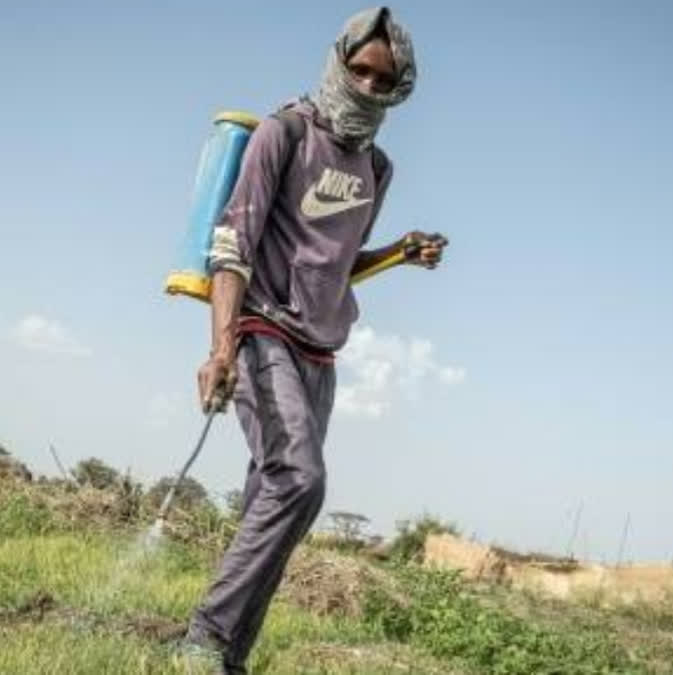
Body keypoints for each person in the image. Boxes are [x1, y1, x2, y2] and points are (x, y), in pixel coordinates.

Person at [178, 7, 447, 673]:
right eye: (358, 70)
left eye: (383, 81)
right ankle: (204, 639)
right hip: (263, 330)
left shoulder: (376, 170)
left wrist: (398, 252)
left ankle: (228, 657)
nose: (366, 87)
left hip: (320, 354)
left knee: (275, 503)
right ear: (337, 61)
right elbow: (233, 244)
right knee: (301, 478)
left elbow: (335, 259)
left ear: (399, 88)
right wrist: (221, 347)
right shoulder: (285, 132)